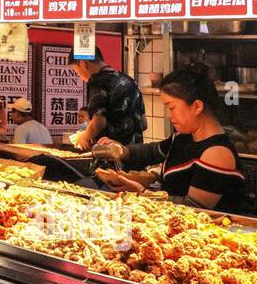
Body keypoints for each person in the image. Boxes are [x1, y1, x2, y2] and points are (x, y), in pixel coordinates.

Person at [95, 64, 243, 211]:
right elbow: (153, 151)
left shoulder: (217, 153)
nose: (169, 115)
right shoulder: (183, 136)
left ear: (197, 106)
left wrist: (141, 193)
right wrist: (122, 151)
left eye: (171, 107)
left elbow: (194, 208)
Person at [68, 47, 146, 151]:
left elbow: (98, 123)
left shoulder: (98, 82)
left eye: (77, 72)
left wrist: (83, 137)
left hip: (110, 156)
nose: (80, 77)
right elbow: (144, 123)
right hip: (135, 153)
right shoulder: (130, 81)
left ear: (83, 64)